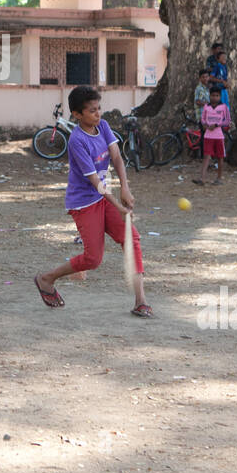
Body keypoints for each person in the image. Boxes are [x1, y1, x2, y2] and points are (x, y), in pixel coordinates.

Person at [34, 86, 151, 317]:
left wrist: (125, 188)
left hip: (103, 197)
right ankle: (46, 279)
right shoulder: (77, 140)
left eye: (99, 109)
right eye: (92, 111)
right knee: (93, 259)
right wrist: (118, 206)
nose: (98, 114)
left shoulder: (104, 126)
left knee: (131, 238)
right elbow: (94, 180)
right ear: (77, 115)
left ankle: (141, 301)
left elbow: (116, 157)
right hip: (84, 202)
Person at [195, 85, 229, 185]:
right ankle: (202, 178)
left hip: (219, 136)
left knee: (220, 157)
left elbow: (227, 121)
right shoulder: (206, 107)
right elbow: (203, 119)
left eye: (217, 95)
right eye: (213, 95)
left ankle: (219, 178)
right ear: (209, 96)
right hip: (208, 136)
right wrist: (205, 125)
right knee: (206, 156)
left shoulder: (224, 107)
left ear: (220, 96)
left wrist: (217, 125)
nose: (215, 97)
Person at [208, 46, 230, 113]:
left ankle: (226, 121)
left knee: (226, 107)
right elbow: (211, 77)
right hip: (218, 90)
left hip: (224, 89)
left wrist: (226, 84)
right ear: (218, 59)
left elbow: (225, 78)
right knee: (220, 106)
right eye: (222, 57)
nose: (224, 58)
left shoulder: (225, 67)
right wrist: (221, 81)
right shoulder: (217, 67)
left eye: (225, 57)